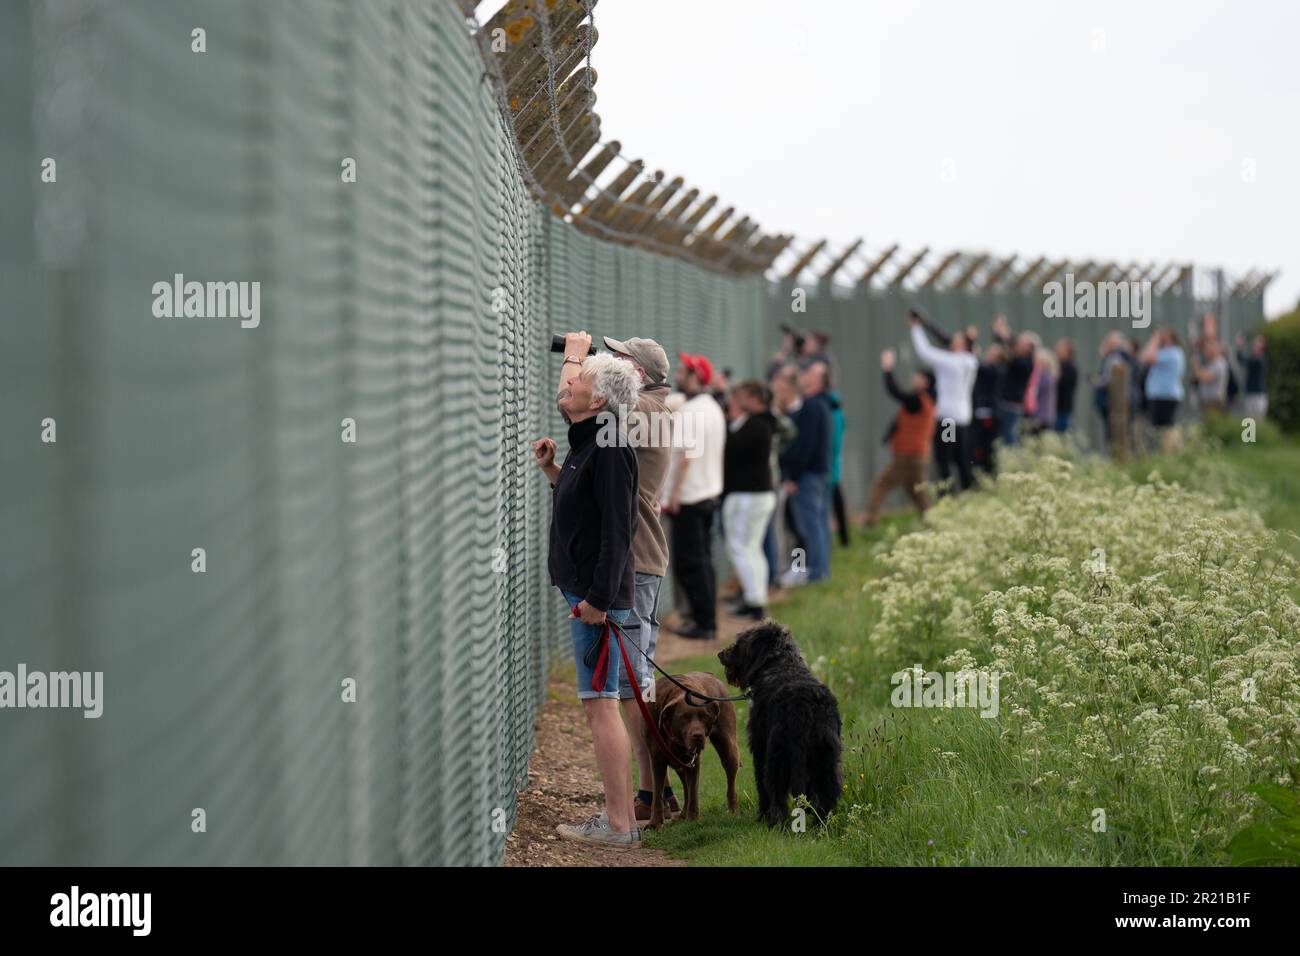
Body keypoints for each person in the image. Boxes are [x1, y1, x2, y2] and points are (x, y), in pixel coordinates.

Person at [533, 352, 644, 849]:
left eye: (580, 377)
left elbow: (619, 531)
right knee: (600, 703)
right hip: (588, 595)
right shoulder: (592, 440)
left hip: (597, 601)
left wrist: (599, 599)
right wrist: (554, 470)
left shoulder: (610, 443)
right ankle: (619, 820)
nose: (570, 380)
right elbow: (588, 510)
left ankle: (620, 826)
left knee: (601, 706)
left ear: (598, 398)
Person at [597, 334, 679, 823]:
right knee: (633, 681)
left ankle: (650, 796)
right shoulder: (653, 406)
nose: (610, 364)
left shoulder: (646, 410)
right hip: (640, 560)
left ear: (640, 374)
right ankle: (656, 793)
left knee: (633, 684)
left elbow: (594, 418)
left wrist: (579, 367)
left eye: (620, 360)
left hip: (639, 561)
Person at [662, 352, 726, 640]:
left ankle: (703, 624)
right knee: (703, 560)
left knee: (690, 563)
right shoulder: (712, 407)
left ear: (697, 376)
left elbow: (686, 457)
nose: (678, 375)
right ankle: (706, 620)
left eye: (683, 372)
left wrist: (673, 495)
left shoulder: (691, 411)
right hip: (708, 494)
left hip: (688, 498)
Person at [722, 380, 778, 620]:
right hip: (757, 495)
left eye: (741, 395)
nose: (735, 399)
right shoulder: (761, 424)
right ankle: (755, 598)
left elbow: (730, 447)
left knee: (741, 548)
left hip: (749, 495)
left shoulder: (758, 426)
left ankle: (756, 602)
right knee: (751, 549)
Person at [910, 311, 977, 492]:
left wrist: (916, 328)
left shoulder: (950, 362)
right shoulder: (971, 361)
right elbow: (945, 340)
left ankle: (947, 496)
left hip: (948, 420)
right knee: (962, 460)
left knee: (944, 460)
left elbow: (925, 352)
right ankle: (969, 495)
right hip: (963, 419)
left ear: (961, 344)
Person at [779, 361, 834, 585]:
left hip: (809, 474)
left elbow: (805, 445)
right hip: (818, 472)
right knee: (817, 522)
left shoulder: (813, 406)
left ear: (819, 381)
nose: (806, 375)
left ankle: (818, 572)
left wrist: (792, 475)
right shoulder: (821, 405)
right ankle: (818, 569)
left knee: (811, 524)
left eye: (811, 373)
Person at [865, 349, 934, 525]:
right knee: (918, 493)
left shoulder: (917, 400)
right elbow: (899, 421)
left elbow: (894, 391)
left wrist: (887, 368)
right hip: (918, 455)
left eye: (919, 377)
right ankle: (932, 523)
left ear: (926, 382)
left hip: (907, 455)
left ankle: (870, 520)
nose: (915, 378)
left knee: (881, 485)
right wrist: (888, 436)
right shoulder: (923, 401)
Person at [765, 365, 801, 587]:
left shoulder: (785, 418)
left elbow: (794, 446)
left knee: (794, 528)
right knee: (786, 528)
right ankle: (789, 569)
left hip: (787, 481)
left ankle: (796, 569)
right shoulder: (781, 417)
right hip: (783, 480)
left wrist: (791, 476)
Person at [991, 314, 1035, 446]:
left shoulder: (1026, 362)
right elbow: (1008, 347)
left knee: (1009, 438)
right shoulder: (1021, 358)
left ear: (1028, 347)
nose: (1018, 345)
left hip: (1011, 405)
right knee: (1005, 436)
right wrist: (1001, 333)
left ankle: (1013, 463)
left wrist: (1004, 335)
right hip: (1007, 403)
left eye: (1022, 343)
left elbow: (1010, 354)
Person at [1140, 327, 1185, 452]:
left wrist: (1154, 339)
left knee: (1165, 428)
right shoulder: (1173, 352)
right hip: (1164, 395)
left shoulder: (1171, 353)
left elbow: (1146, 357)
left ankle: (1171, 452)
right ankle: (1170, 451)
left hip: (1164, 395)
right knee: (1164, 427)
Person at [971, 342, 1004, 475]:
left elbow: (980, 367)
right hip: (980, 413)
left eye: (992, 353)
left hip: (988, 414)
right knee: (979, 446)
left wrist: (973, 353)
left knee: (986, 447)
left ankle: (989, 475)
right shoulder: (992, 369)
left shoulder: (996, 369)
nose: (988, 355)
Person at [1192, 338, 1229, 416]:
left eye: (1208, 349)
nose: (1205, 351)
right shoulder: (1211, 363)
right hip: (1208, 400)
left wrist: (1195, 365)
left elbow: (1205, 377)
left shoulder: (1219, 363)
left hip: (1214, 401)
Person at [1236, 333, 1269, 420]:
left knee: (1256, 424)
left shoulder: (1260, 360)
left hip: (1257, 397)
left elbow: (1242, 359)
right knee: (1250, 425)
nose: (1254, 345)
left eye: (1257, 343)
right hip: (1250, 395)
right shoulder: (1255, 358)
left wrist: (1239, 346)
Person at [1054, 339, 1078, 433]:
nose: (1056, 351)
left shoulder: (1070, 367)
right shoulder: (1060, 365)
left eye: (1060, 349)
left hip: (1063, 409)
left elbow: (1060, 383)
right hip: (1057, 409)